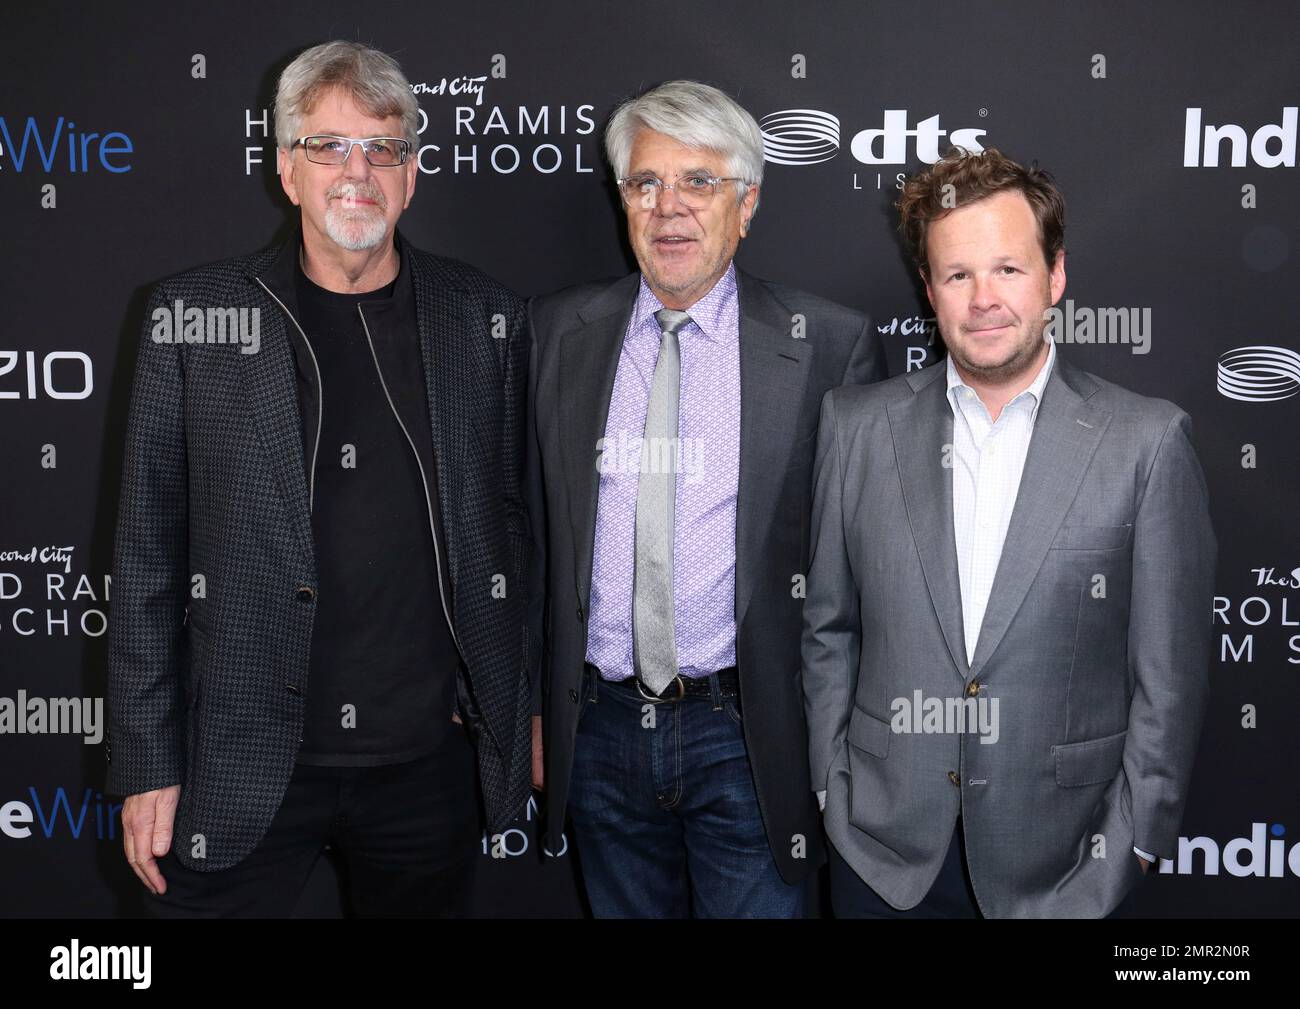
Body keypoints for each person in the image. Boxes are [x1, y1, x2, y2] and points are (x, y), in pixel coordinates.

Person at [106, 40, 536, 917]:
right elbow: (147, 555)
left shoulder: (483, 315)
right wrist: (147, 762)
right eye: (328, 146)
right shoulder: (194, 317)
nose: (357, 172)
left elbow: (515, 528)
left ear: (412, 176)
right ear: (285, 170)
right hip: (239, 762)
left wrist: (513, 706)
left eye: (383, 148)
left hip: (427, 767)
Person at [801, 146, 1216, 917]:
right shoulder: (856, 425)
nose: (983, 298)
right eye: (958, 275)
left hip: (1063, 869)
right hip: (880, 858)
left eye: (1009, 270)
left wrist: (1134, 841)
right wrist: (833, 787)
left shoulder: (1146, 444)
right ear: (929, 290)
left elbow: (1170, 679)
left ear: (1055, 276)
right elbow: (828, 625)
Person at [526, 80, 886, 917]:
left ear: (747, 204)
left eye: (700, 182)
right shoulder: (555, 333)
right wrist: (535, 716)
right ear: (622, 199)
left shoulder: (825, 345)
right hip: (601, 727)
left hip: (750, 734)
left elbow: (862, 571)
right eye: (646, 182)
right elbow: (527, 538)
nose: (669, 208)